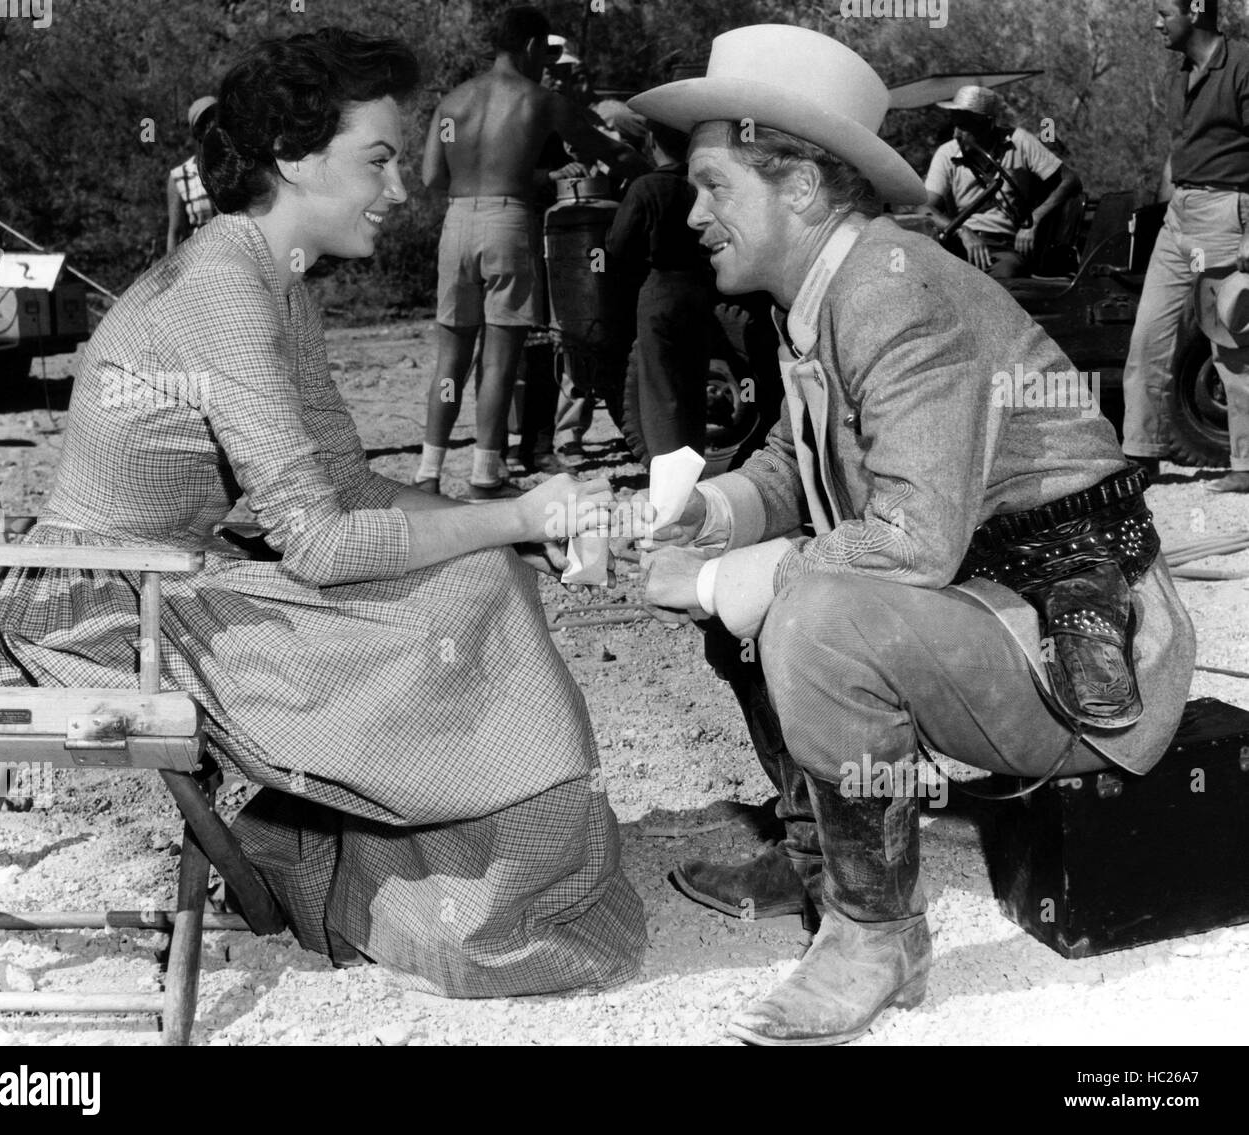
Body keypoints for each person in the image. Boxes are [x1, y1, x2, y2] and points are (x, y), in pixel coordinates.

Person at [0, 27, 646, 999]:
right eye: (376, 159)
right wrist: (510, 519)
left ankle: (444, 878)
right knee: (465, 594)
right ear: (291, 157)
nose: (402, 187)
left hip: (168, 585)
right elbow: (326, 545)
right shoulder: (223, 291)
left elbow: (351, 488)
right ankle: (455, 898)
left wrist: (530, 522)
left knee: (474, 580)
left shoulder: (272, 279)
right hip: (101, 617)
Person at [629, 24, 1195, 1045]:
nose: (694, 210)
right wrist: (710, 515)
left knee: (811, 616)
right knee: (768, 587)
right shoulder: (830, 290)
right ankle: (824, 854)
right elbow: (790, 464)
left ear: (798, 186)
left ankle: (874, 929)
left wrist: (729, 580)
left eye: (714, 185)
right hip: (994, 616)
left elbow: (912, 538)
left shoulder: (890, 294)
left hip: (1083, 660)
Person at [416, 6, 645, 498]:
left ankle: (428, 474)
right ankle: (484, 475)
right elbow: (606, 151)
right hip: (507, 222)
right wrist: (646, 165)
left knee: (449, 362)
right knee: (498, 360)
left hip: (456, 224)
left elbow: (431, 178)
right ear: (531, 46)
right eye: (544, 52)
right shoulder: (538, 101)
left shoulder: (453, 103)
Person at [1122, 0, 1249, 492]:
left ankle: (1244, 466)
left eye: (1162, 13)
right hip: (1180, 215)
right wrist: (1160, 213)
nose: (1156, 23)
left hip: (1227, 211)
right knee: (1148, 334)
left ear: (1194, 12)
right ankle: (1142, 454)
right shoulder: (1180, 74)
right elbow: (1177, 154)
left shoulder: (1241, 64)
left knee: (1229, 342)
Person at [607, 119, 715, 459]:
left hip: (660, 289)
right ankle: (693, 467)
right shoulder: (699, 186)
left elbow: (618, 245)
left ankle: (666, 477)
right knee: (693, 383)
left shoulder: (646, 187)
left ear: (651, 141)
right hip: (700, 289)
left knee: (659, 388)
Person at [923, 84, 1082, 279]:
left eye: (965, 127)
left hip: (1004, 247)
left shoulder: (1019, 142)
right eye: (955, 125)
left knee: (1005, 274)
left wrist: (1035, 220)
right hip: (960, 242)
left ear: (987, 123)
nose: (957, 134)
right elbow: (925, 208)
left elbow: (1070, 179)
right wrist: (963, 231)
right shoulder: (947, 153)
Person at [166, 96, 218, 253]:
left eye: (217, 118)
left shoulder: (241, 166)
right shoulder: (181, 177)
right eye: (206, 121)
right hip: (201, 259)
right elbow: (175, 234)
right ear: (198, 131)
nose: (214, 125)